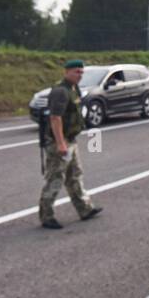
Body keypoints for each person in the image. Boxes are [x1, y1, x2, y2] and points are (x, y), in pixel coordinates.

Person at [38, 59, 103, 229]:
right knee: (55, 179)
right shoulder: (61, 91)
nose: (79, 75)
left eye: (81, 72)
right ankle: (46, 216)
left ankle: (85, 209)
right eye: (76, 71)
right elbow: (55, 118)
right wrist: (60, 144)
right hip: (60, 142)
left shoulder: (74, 89)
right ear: (66, 72)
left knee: (75, 175)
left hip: (71, 140)